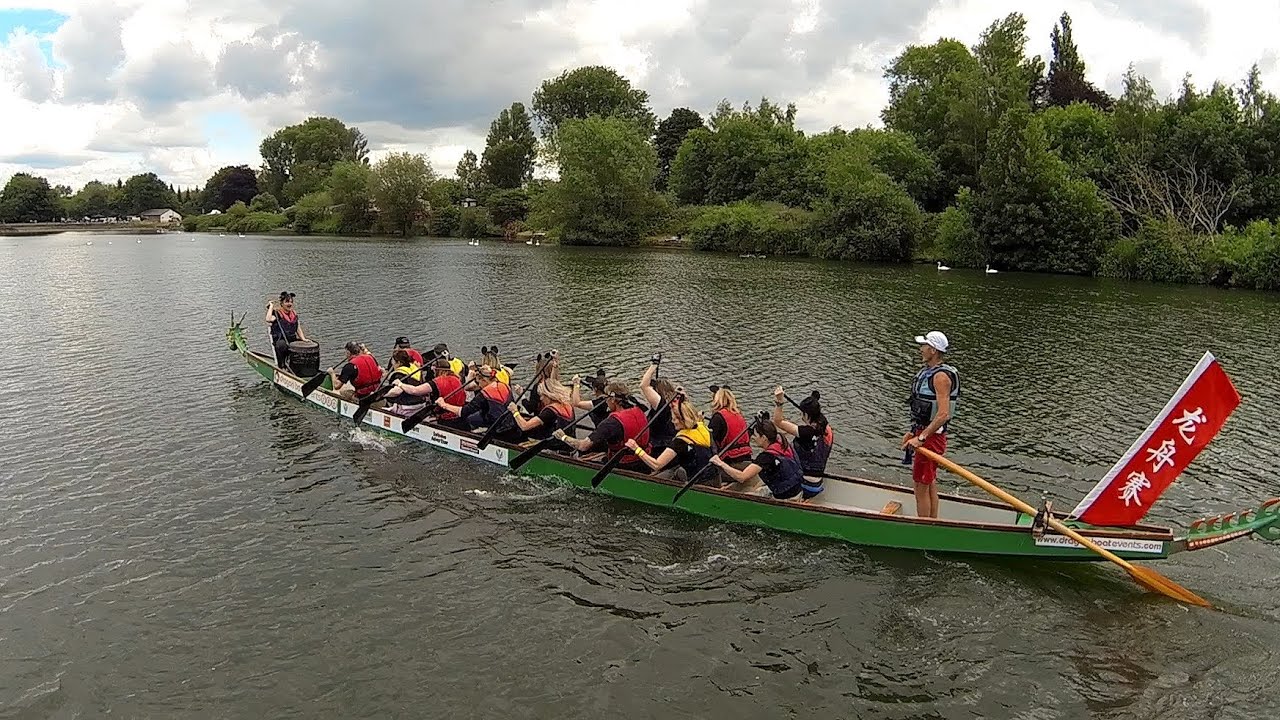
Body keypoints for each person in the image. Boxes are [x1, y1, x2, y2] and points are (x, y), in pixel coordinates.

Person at [901, 331, 958, 519]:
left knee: (920, 485)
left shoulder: (940, 377)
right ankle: (932, 522)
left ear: (933, 350)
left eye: (924, 346)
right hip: (923, 433)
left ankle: (924, 526)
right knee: (929, 481)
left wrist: (922, 438)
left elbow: (943, 414)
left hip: (931, 438)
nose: (921, 349)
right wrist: (913, 433)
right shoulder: (928, 373)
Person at [624, 388, 714, 483]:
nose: (672, 421)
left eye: (675, 419)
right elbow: (690, 410)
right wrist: (683, 398)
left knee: (658, 476)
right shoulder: (701, 426)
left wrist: (636, 449)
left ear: (683, 420)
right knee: (677, 470)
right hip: (713, 476)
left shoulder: (681, 441)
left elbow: (657, 464)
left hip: (699, 483)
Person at [554, 381, 650, 469]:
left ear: (612, 399)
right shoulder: (639, 409)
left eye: (606, 398)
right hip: (644, 459)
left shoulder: (611, 422)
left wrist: (563, 437)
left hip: (624, 464)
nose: (605, 401)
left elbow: (583, 445)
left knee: (583, 454)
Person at [709, 414, 806, 501]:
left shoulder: (766, 458)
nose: (753, 438)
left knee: (747, 496)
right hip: (797, 491)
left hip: (786, 498)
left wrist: (720, 463)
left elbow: (742, 477)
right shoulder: (782, 442)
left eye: (755, 435)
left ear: (764, 438)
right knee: (759, 488)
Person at [772, 386, 832, 499]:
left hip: (805, 483)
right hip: (817, 482)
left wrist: (779, 402)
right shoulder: (827, 428)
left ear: (807, 415)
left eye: (803, 414)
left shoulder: (806, 433)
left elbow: (778, 421)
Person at [437, 364, 520, 441]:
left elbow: (463, 412)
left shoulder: (484, 394)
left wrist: (444, 405)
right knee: (477, 415)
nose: (479, 386)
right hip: (513, 426)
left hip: (499, 432)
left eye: (479, 382)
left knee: (465, 419)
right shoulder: (505, 386)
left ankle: (476, 432)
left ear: (483, 380)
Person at [385, 357, 469, 423]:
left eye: (434, 370)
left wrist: (400, 384)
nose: (433, 373)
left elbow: (415, 391)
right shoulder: (457, 379)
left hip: (446, 419)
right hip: (460, 415)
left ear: (439, 371)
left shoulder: (436, 383)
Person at [708, 385, 754, 485]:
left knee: (706, 471)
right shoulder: (738, 414)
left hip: (732, 464)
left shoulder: (718, 418)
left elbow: (709, 442)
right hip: (746, 460)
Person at [508, 377, 576, 441]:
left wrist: (515, 411)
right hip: (567, 441)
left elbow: (524, 426)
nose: (541, 399)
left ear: (549, 395)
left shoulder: (550, 411)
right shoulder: (568, 405)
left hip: (554, 443)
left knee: (517, 429)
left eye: (542, 395)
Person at [639, 354, 677, 454]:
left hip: (660, 447)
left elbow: (643, 386)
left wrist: (654, 365)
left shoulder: (662, 405)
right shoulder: (674, 403)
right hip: (670, 444)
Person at [265, 291, 306, 368]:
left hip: (292, 339)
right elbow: (268, 319)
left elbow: (298, 328)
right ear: (282, 303)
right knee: (282, 345)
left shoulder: (294, 313)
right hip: (281, 341)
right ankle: (282, 366)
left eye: (291, 302)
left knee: (305, 347)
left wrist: (303, 339)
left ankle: (298, 367)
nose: (289, 304)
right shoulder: (277, 314)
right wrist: (271, 307)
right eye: (287, 302)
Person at [383, 349, 426, 416]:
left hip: (407, 407)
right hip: (421, 404)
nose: (392, 363)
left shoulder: (399, 374)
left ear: (399, 363)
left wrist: (381, 395)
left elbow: (397, 391)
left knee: (389, 397)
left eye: (393, 361)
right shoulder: (415, 368)